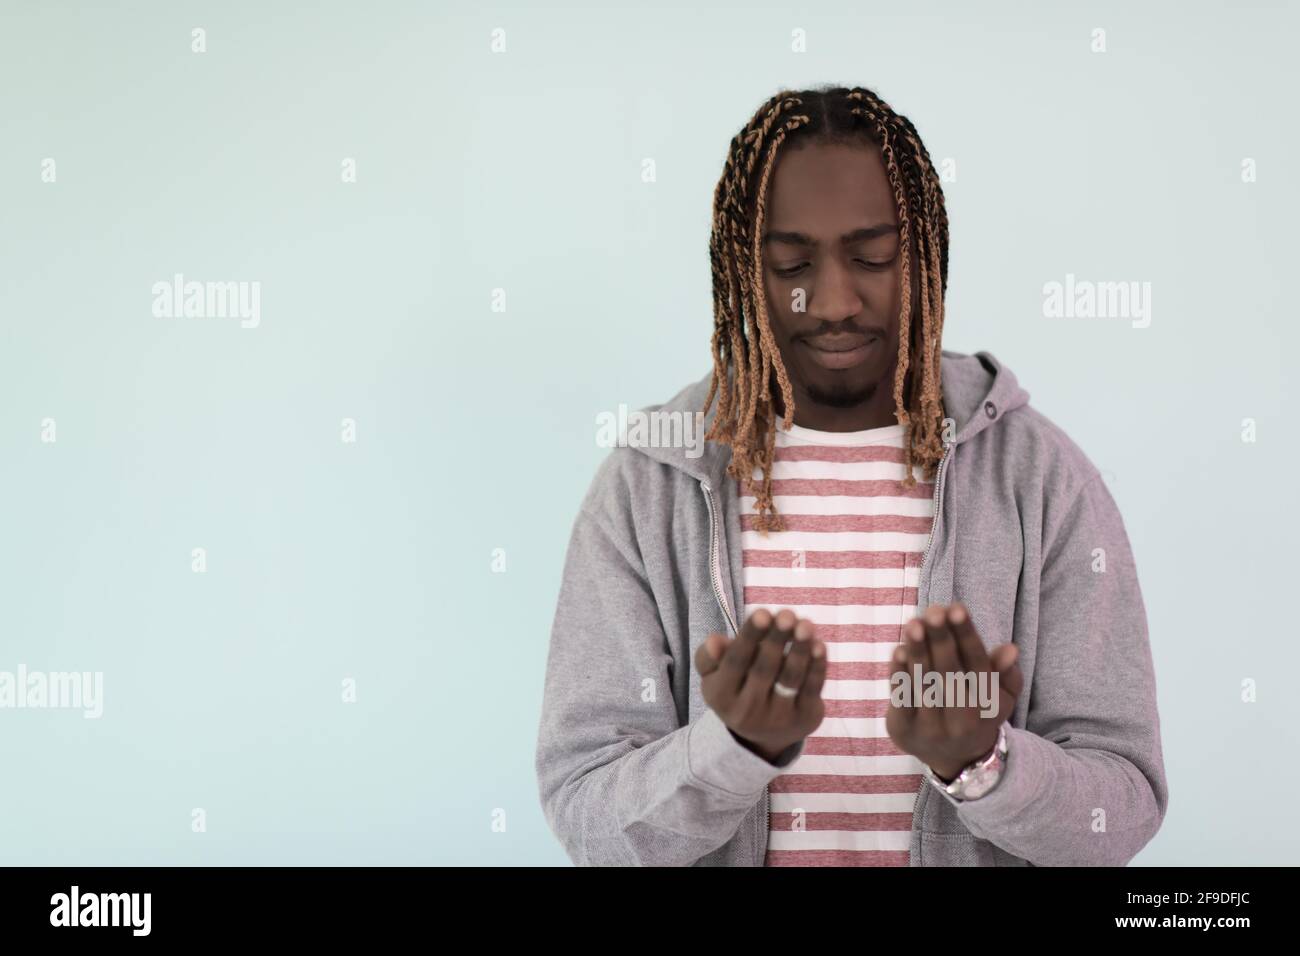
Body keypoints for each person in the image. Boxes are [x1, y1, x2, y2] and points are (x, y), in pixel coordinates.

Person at [535, 84, 1167, 866]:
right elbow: (588, 816)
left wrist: (979, 762)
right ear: (744, 269)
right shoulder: (650, 481)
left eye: (873, 257)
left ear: (925, 255)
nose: (833, 300)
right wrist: (732, 749)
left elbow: (1124, 805)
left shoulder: (1039, 477)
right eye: (792, 262)